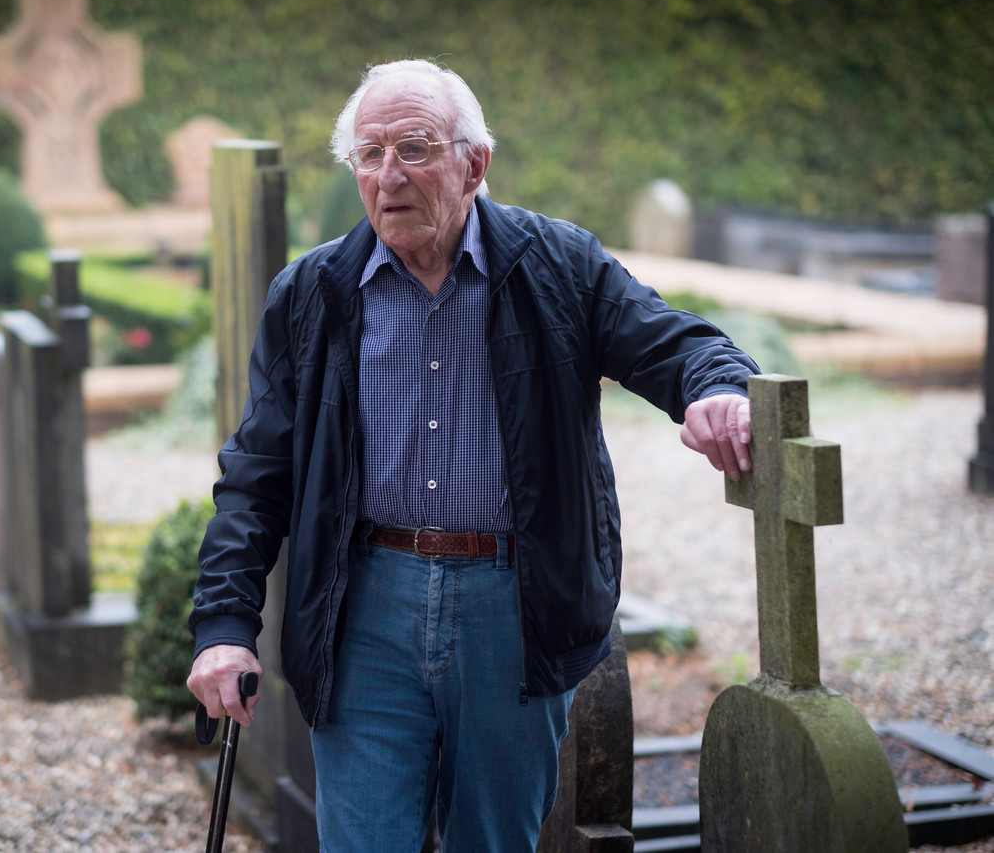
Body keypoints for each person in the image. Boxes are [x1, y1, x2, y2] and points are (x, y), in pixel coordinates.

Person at [187, 59, 758, 852]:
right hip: (363, 612)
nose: (389, 175)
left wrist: (718, 389)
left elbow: (678, 344)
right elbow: (255, 479)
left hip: (512, 610)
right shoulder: (313, 293)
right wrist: (223, 623)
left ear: (475, 163)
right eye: (369, 154)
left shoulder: (558, 266)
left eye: (414, 148)